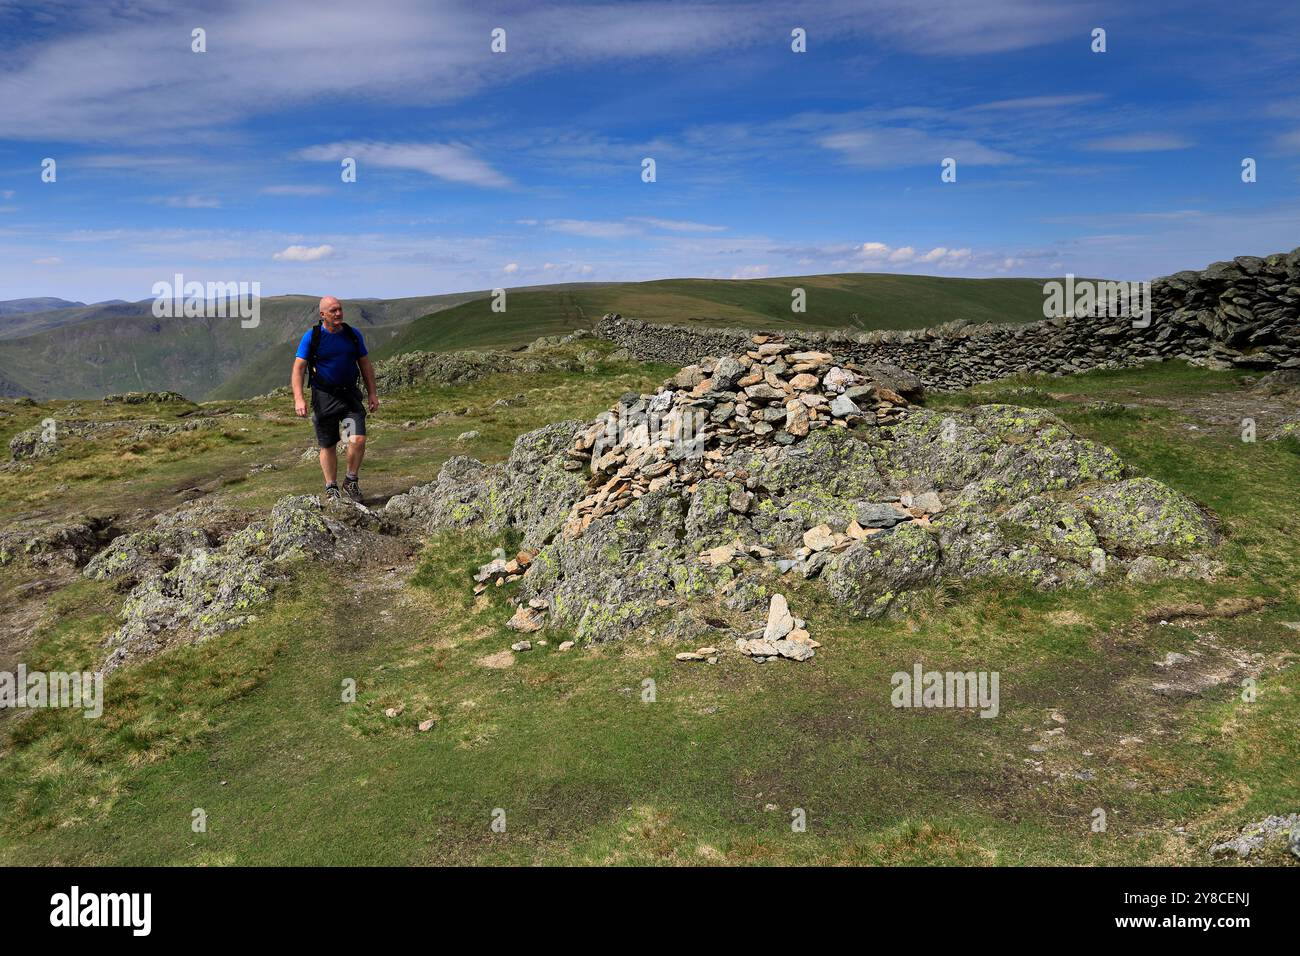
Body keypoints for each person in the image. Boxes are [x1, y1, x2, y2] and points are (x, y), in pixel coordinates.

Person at [291, 296, 379, 501]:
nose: (338, 313)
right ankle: (331, 487)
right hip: (324, 397)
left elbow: (365, 365)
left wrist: (372, 393)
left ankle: (351, 480)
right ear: (322, 314)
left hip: (349, 397)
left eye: (339, 309)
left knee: (356, 439)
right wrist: (299, 398)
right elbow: (298, 369)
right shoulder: (312, 337)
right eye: (333, 310)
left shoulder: (352, 335)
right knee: (328, 444)